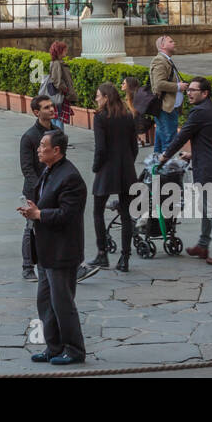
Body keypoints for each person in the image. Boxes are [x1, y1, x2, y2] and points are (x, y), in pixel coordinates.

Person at [19, 129, 87, 365]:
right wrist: (34, 209)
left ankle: (75, 350)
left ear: (56, 150)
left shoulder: (70, 177)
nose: (38, 149)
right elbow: (49, 204)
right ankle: (54, 347)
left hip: (63, 252)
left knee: (63, 304)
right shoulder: (49, 171)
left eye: (42, 146)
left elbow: (68, 214)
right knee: (45, 303)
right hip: (47, 251)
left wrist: (39, 214)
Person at [158, 76, 212, 266]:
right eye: (188, 89)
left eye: (193, 90)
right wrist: (193, 155)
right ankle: (203, 245)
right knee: (208, 207)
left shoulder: (199, 112)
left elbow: (181, 136)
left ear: (205, 93)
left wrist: (165, 156)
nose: (188, 93)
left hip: (209, 168)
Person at [80, 82, 141, 279]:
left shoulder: (100, 117)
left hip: (107, 169)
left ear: (106, 98)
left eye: (98, 95)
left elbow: (101, 148)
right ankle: (125, 258)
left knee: (98, 211)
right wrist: (129, 163)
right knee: (125, 215)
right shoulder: (127, 116)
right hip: (126, 169)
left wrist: (96, 167)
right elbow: (135, 146)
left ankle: (102, 253)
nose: (96, 98)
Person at [19, 95, 58, 281]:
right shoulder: (29, 137)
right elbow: (27, 168)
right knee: (31, 226)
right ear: (36, 112)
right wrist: (39, 189)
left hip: (56, 187)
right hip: (35, 190)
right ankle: (27, 267)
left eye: (51, 106)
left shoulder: (57, 133)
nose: (51, 109)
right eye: (46, 107)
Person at [149, 35, 187, 159]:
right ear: (162, 46)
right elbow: (159, 84)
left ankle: (156, 176)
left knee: (161, 145)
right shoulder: (159, 60)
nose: (174, 43)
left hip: (169, 109)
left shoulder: (166, 60)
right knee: (169, 144)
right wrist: (178, 87)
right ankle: (166, 172)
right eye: (171, 41)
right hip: (166, 109)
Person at [47, 41, 76, 130]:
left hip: (58, 95)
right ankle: (58, 139)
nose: (66, 52)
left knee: (56, 118)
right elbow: (57, 82)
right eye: (64, 50)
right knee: (58, 119)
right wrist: (66, 90)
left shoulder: (57, 63)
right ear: (60, 51)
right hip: (60, 95)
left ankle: (56, 138)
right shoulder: (57, 64)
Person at [121, 75, 155, 148]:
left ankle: (135, 140)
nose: (122, 85)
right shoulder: (130, 95)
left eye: (124, 83)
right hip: (139, 119)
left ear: (129, 85)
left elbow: (135, 112)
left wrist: (128, 103)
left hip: (144, 121)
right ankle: (136, 139)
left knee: (126, 118)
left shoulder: (135, 95)